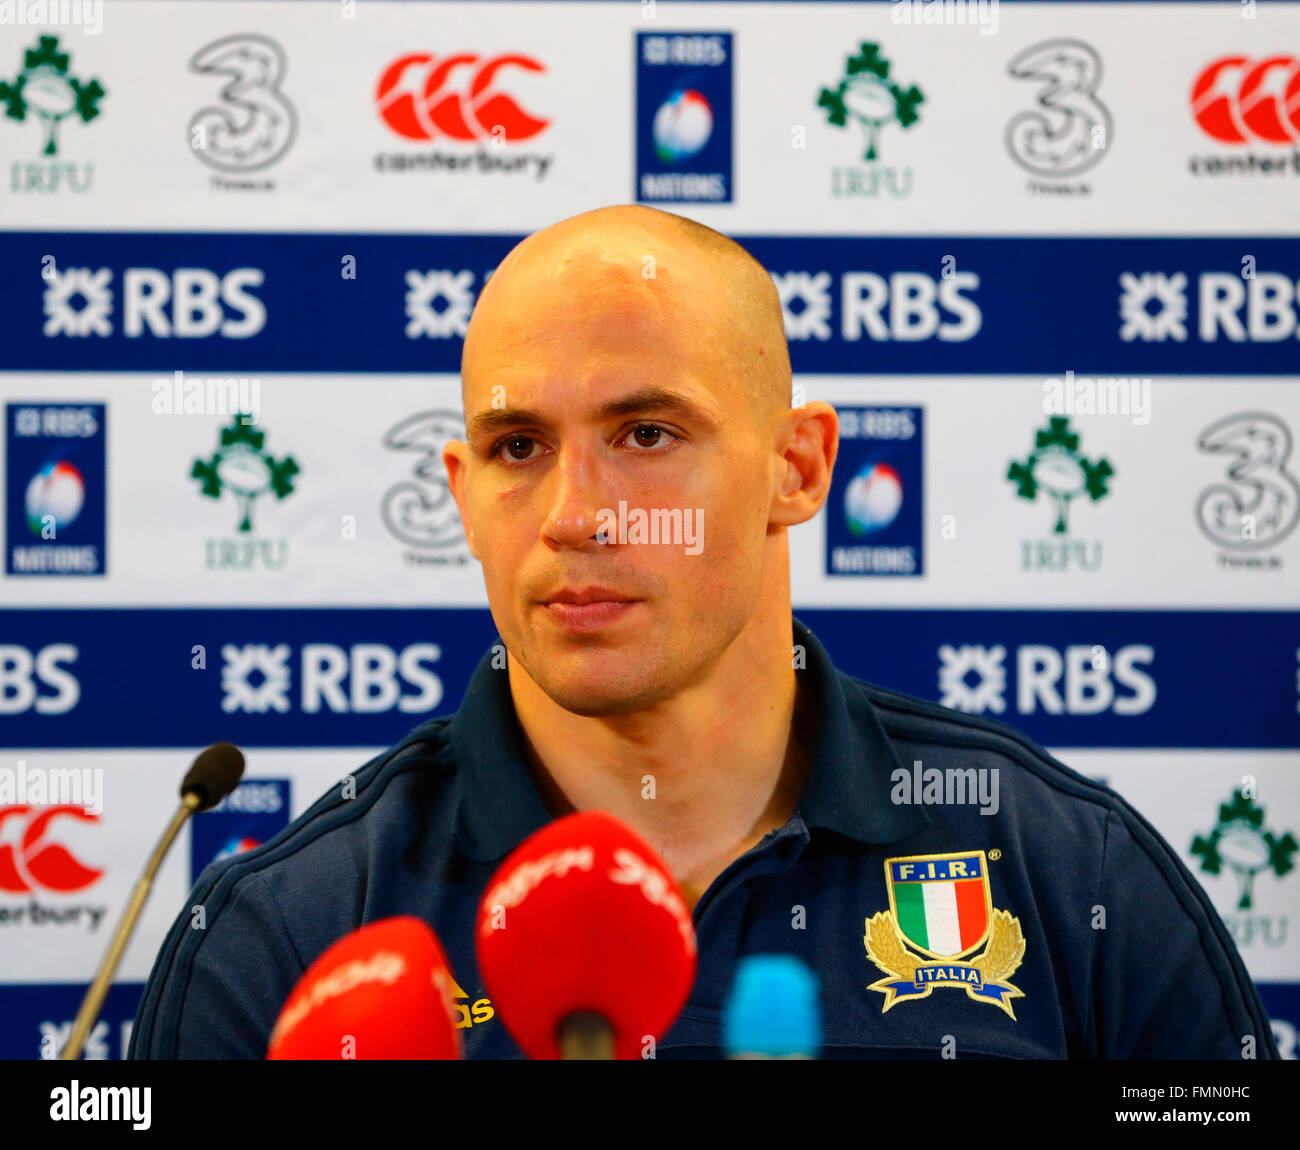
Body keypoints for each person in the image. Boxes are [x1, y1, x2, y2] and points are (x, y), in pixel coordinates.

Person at [130, 204, 1277, 1059]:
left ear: (798, 466)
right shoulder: (292, 929)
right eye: (517, 447)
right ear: (463, 488)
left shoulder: (1065, 866)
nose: (575, 514)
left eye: (644, 433)